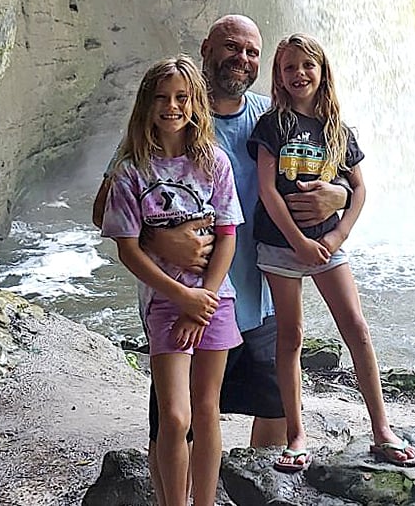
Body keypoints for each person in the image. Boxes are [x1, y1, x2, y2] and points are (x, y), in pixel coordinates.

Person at [93, 16, 349, 501]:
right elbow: (104, 211)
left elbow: (340, 165)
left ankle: (249, 492)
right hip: (176, 297)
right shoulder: (161, 123)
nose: (242, 59)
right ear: (207, 48)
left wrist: (336, 195)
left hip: (257, 293)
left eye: (253, 52)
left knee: (269, 409)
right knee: (174, 418)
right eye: (232, 47)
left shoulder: (270, 117)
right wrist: (159, 239)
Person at [247, 33, 415, 473]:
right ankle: (297, 435)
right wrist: (298, 241)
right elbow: (267, 190)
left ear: (323, 72)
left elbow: (359, 189)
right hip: (280, 245)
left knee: (357, 329)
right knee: (291, 336)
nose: (299, 74)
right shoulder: (271, 125)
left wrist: (336, 237)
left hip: (329, 246)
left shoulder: (338, 130)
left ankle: (381, 429)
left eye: (308, 66)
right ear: (279, 77)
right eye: (289, 68)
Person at [101, 56, 244, 506]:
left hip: (214, 298)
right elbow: (127, 248)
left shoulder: (214, 162)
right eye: (162, 98)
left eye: (182, 98)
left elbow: (227, 236)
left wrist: (203, 297)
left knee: (207, 411)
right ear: (146, 104)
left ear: (196, 104)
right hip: (165, 301)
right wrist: (182, 296)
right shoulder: (131, 170)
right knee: (175, 417)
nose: (172, 106)